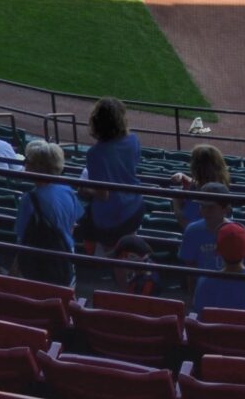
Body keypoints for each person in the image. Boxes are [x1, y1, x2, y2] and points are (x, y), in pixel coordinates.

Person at [10, 140, 82, 286]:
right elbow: (73, 226)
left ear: (38, 167)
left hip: (40, 263)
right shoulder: (68, 190)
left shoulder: (29, 199)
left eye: (28, 161)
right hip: (66, 255)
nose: (25, 164)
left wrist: (14, 270)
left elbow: (22, 238)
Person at [82, 97, 146, 254]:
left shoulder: (95, 153)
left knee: (114, 254)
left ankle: (115, 273)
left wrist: (84, 189)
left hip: (111, 219)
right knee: (127, 248)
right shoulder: (133, 140)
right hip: (135, 208)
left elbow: (103, 195)